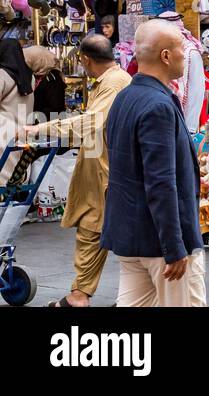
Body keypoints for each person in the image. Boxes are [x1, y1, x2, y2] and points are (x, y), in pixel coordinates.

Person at [17, 34, 131, 307]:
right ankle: (84, 294)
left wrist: (39, 129)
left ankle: (107, 296)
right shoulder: (111, 81)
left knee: (103, 231)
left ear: (86, 60)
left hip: (106, 171)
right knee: (93, 229)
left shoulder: (114, 84)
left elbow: (90, 124)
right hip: (99, 168)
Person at [101, 19, 206, 307]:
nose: (186, 55)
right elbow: (160, 183)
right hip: (159, 241)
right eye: (181, 49)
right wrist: (174, 246)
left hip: (131, 237)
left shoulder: (125, 98)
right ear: (166, 56)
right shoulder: (157, 105)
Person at [0, 38, 34, 183]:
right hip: (24, 134)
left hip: (3, 135)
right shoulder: (29, 75)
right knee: (16, 179)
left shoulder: (3, 74)